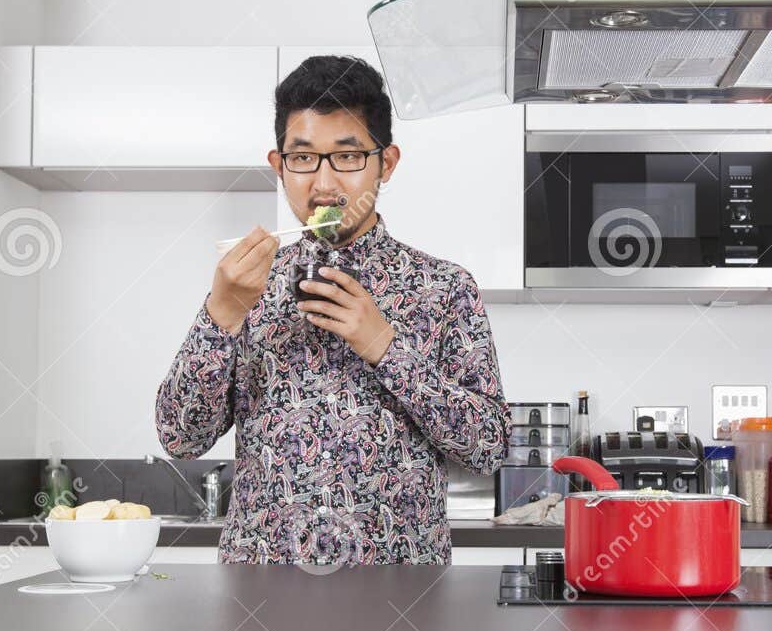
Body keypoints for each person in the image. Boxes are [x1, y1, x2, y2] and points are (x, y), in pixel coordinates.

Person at [155, 54, 510, 564]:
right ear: (279, 166)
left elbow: (488, 447)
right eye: (303, 158)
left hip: (402, 595)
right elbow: (180, 438)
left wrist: (385, 348)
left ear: (386, 163)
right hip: (262, 594)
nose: (322, 184)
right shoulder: (248, 284)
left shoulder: (444, 288)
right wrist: (222, 314)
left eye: (346, 157)